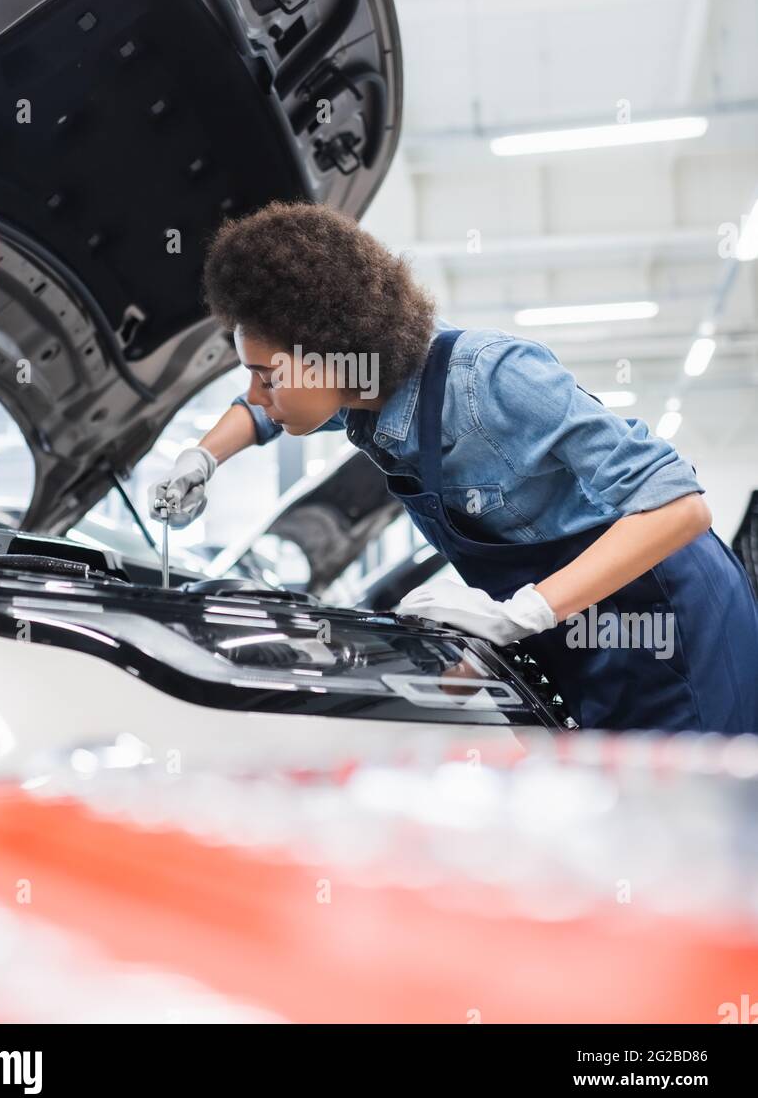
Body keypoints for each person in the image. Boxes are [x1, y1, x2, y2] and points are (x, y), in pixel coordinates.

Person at [148, 202, 758, 732]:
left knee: (694, 818)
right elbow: (257, 417)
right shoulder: (364, 390)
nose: (257, 394)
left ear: (326, 352)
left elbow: (680, 505)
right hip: (574, 619)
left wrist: (521, 614)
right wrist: (201, 458)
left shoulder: (491, 378)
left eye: (266, 376)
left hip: (666, 615)